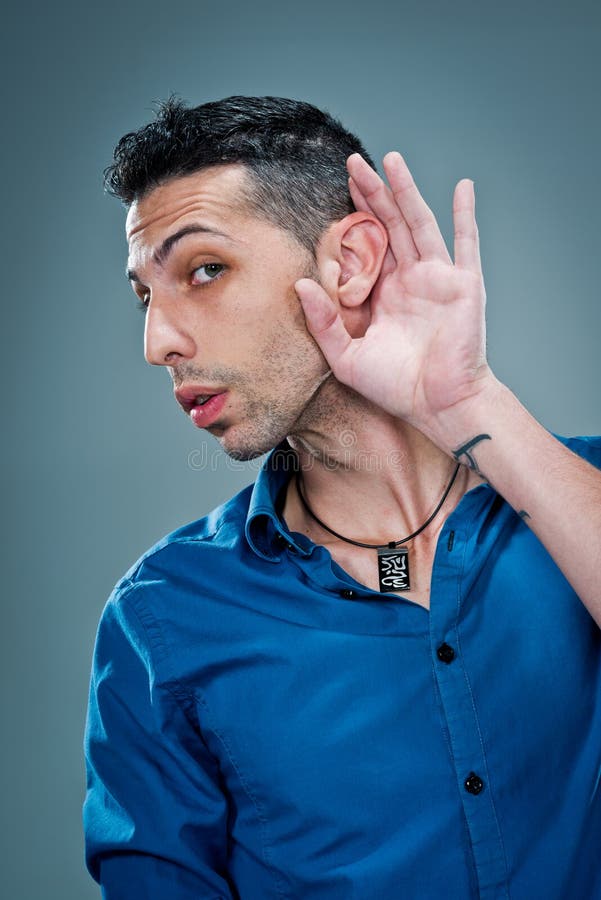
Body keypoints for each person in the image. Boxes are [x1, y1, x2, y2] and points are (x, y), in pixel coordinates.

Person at [82, 95, 601, 899]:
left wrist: (470, 402)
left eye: (204, 270)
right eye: (146, 295)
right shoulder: (161, 618)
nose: (159, 343)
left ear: (350, 262)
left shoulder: (577, 496)